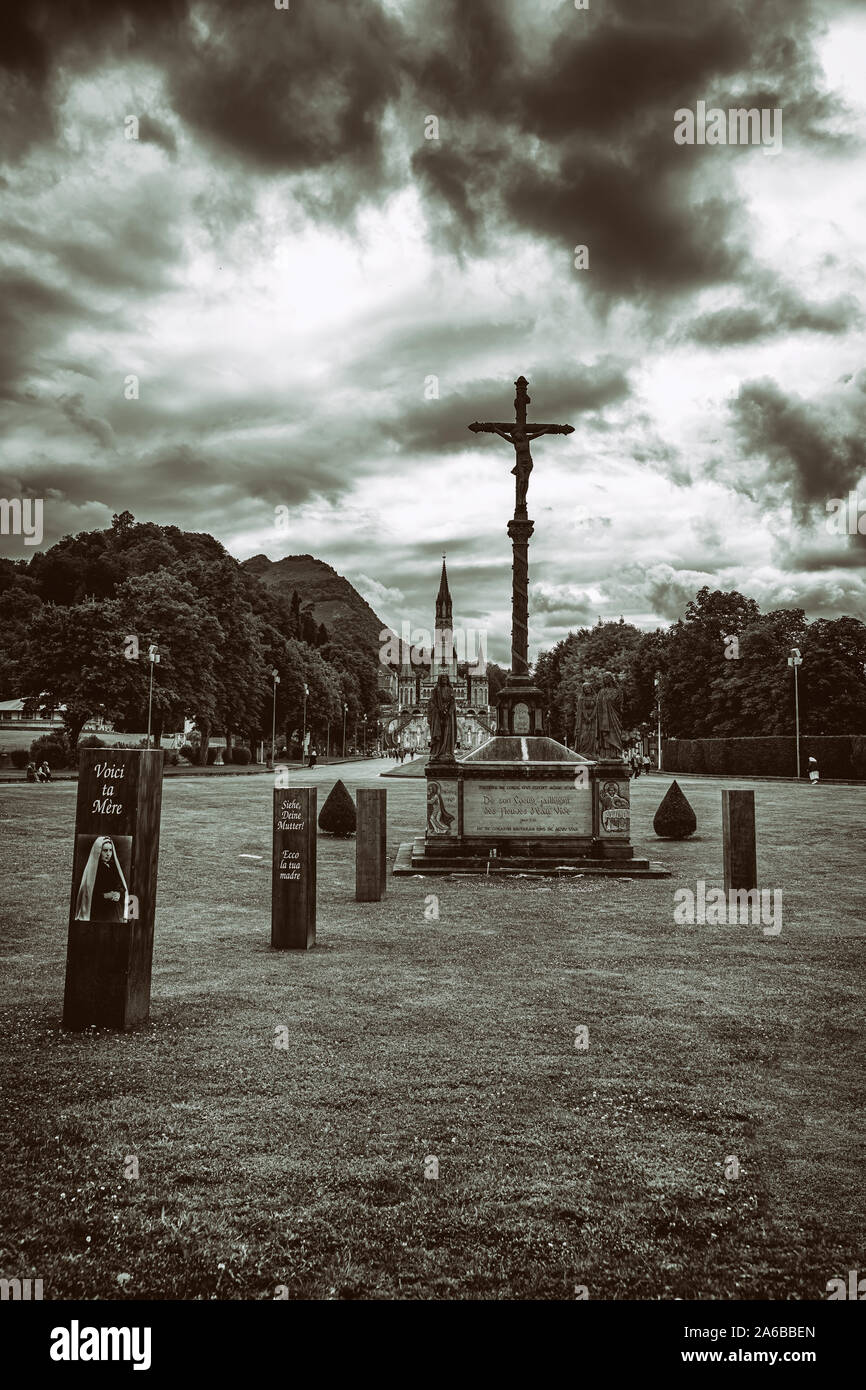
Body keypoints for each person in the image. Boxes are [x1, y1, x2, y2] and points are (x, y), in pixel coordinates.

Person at [74, 836, 129, 922]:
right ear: (98, 851)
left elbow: (121, 886)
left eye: (110, 850)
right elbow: (88, 894)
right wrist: (106, 895)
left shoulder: (113, 867)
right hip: (99, 912)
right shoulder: (93, 870)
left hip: (114, 910)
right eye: (105, 850)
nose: (108, 854)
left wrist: (118, 893)